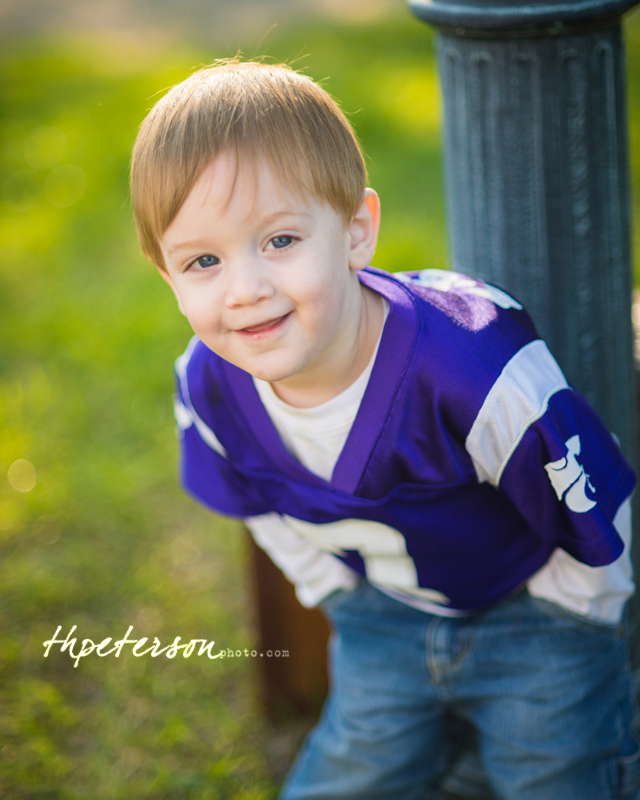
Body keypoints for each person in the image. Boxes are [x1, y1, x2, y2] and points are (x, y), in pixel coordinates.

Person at [130, 58, 640, 799]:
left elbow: (590, 501)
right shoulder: (207, 387)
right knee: (349, 775)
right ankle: (459, 756)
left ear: (355, 231)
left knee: (562, 774)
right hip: (384, 620)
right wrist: (334, 592)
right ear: (169, 280)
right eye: (203, 260)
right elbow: (253, 503)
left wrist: (580, 617)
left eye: (279, 240)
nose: (246, 289)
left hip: (538, 616)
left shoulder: (470, 361)